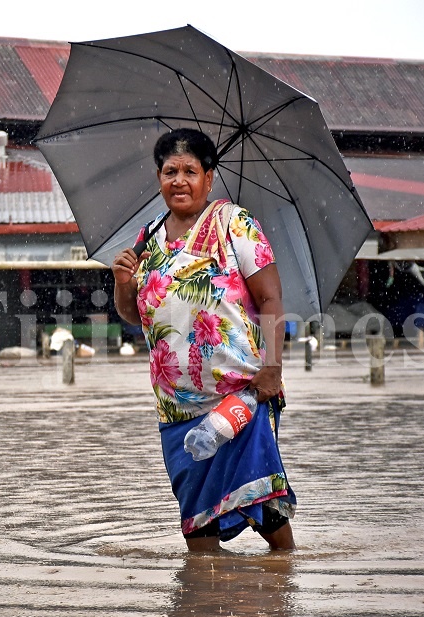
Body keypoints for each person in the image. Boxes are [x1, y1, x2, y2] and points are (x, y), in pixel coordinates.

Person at [112, 128, 296, 552]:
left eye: (190, 171)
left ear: (209, 178)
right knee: (198, 529)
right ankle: (205, 613)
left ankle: (285, 584)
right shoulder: (148, 239)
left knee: (263, 505)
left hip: (242, 394)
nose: (179, 180)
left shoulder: (234, 223)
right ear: (158, 177)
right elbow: (133, 315)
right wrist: (123, 282)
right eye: (170, 171)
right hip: (176, 405)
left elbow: (270, 296)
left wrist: (273, 367)